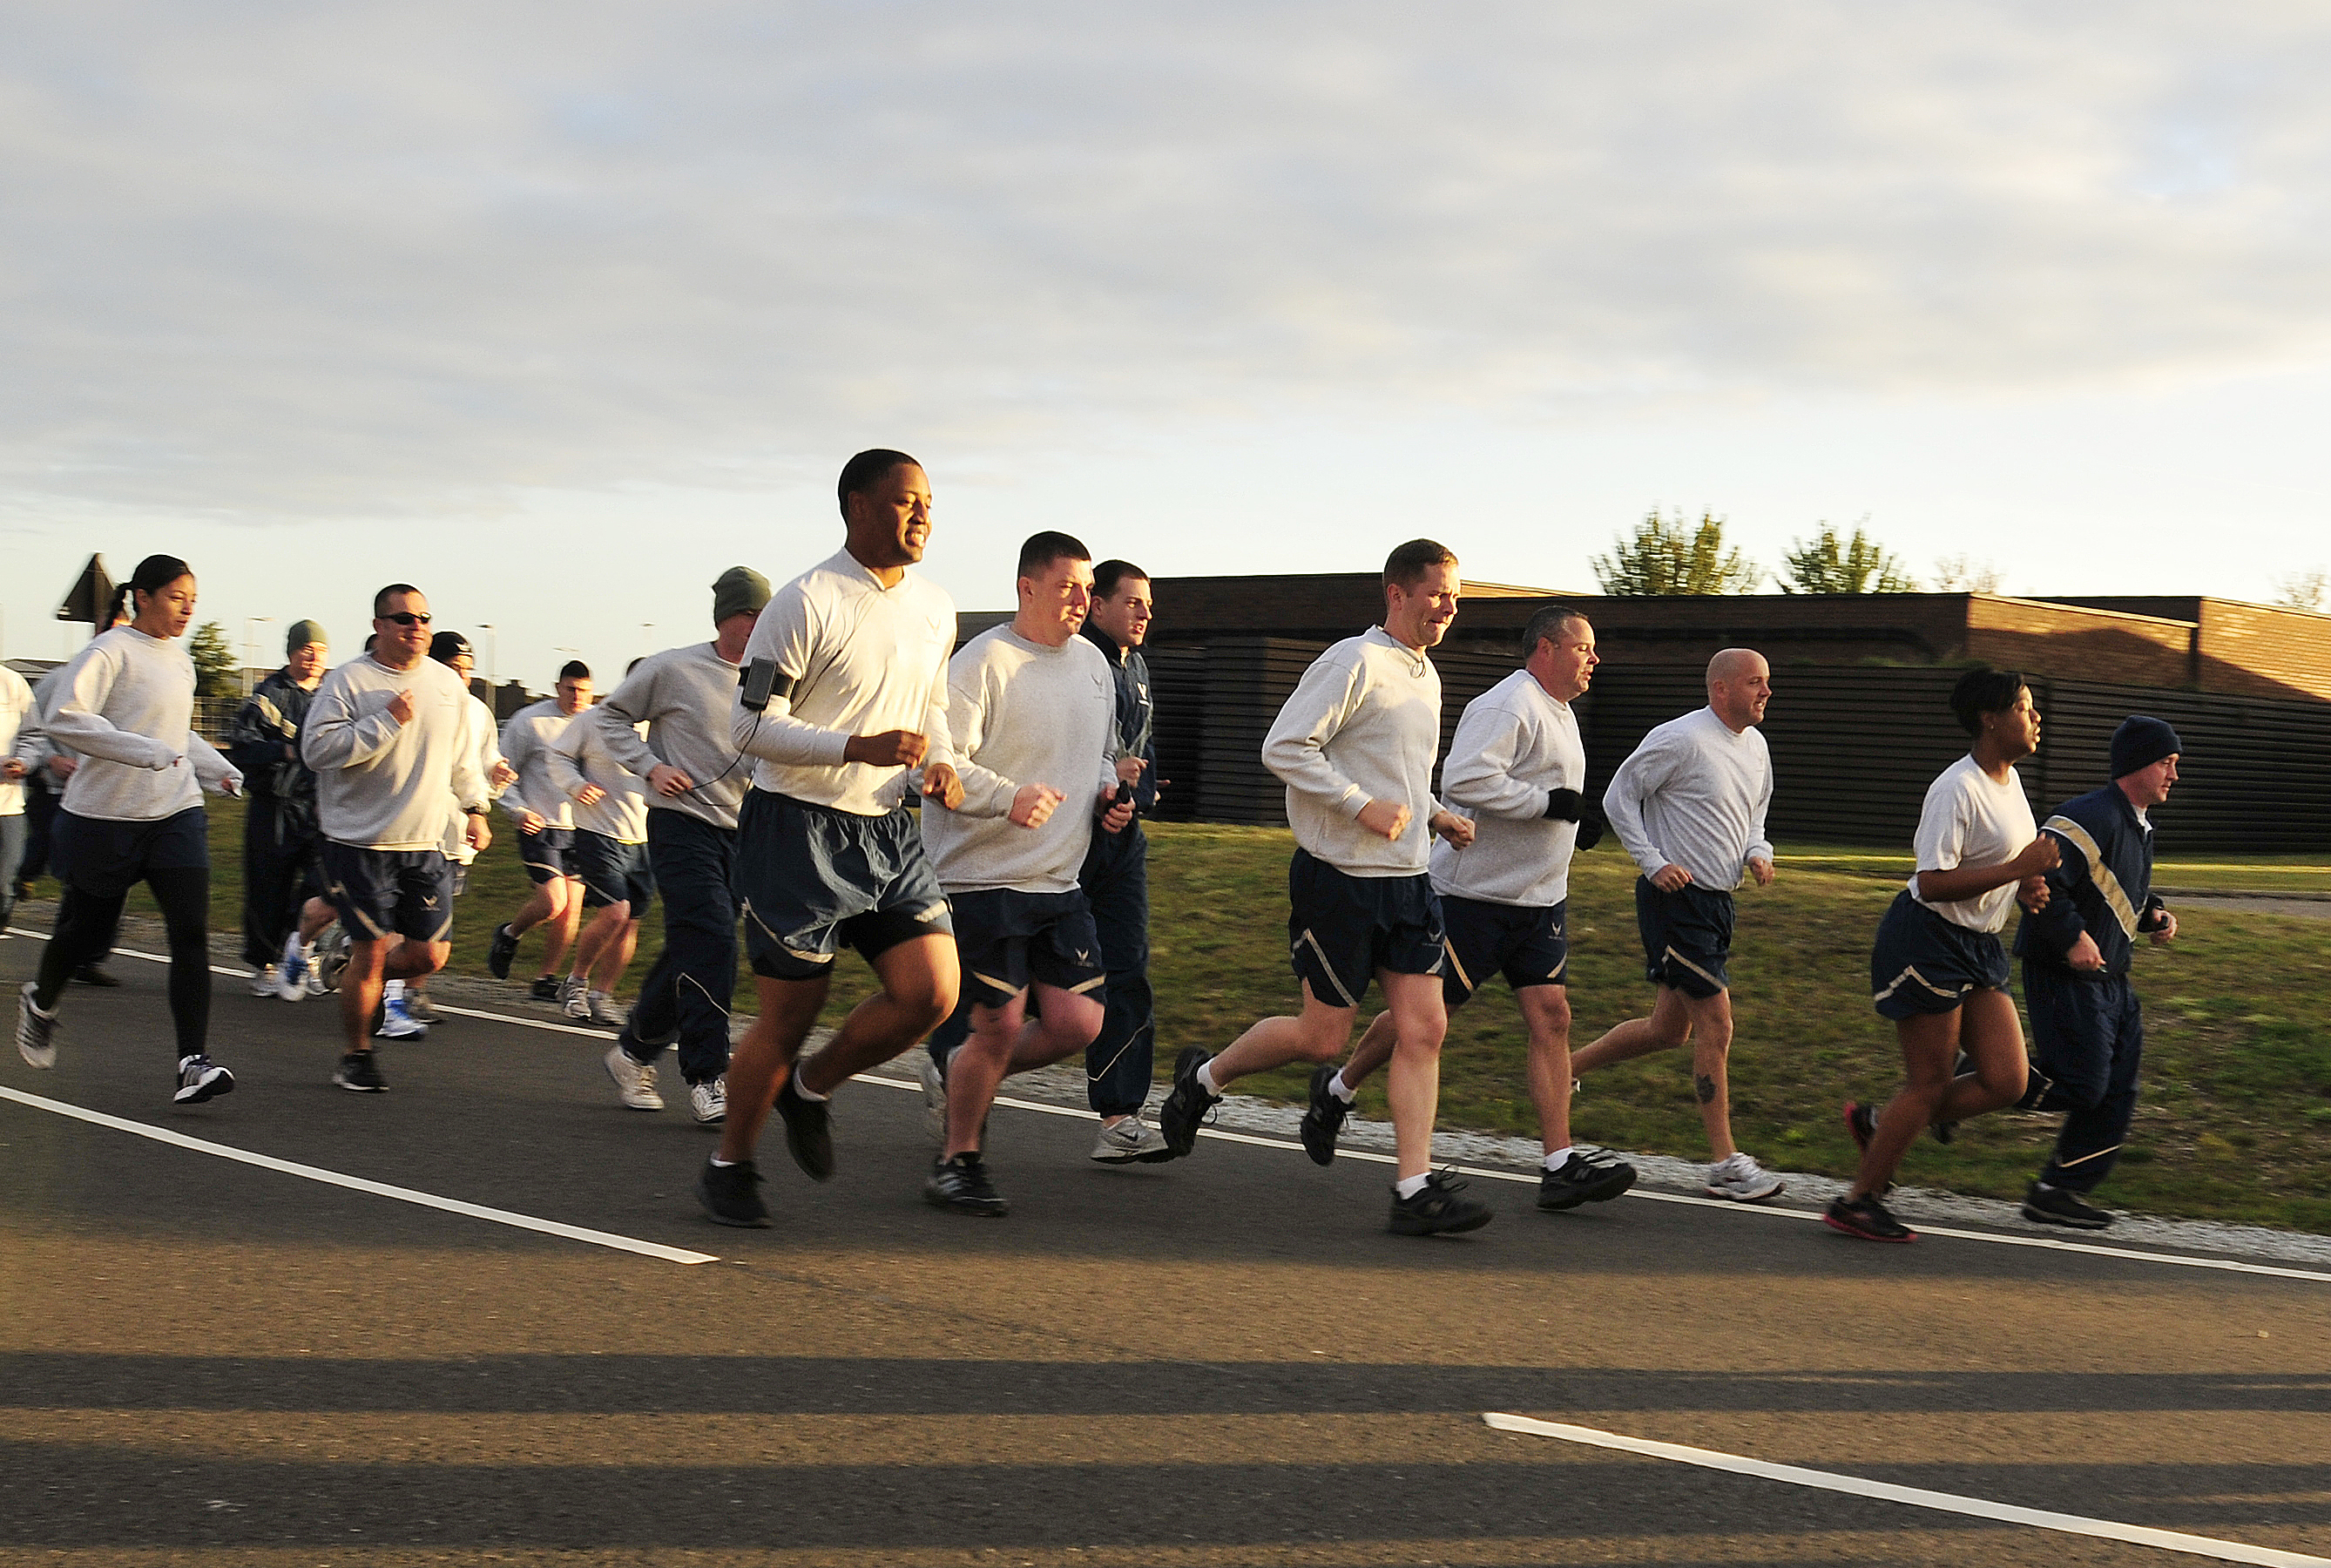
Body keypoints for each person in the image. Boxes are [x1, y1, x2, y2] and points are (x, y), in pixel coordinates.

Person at [1155, 540, 1487, 1237]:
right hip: (1339, 880)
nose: (1449, 607)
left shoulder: (1424, 675)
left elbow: (1398, 769)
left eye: (1455, 596)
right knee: (1320, 1037)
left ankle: (1414, 1188)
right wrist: (1358, 805)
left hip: (1408, 882)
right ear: (1397, 594)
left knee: (1425, 1027)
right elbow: (1284, 746)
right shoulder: (1352, 662)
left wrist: (1435, 813)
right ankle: (1204, 1079)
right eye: (1437, 594)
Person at [696, 449, 962, 1227]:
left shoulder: (935, 607)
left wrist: (938, 762)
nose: (923, 517)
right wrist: (856, 747)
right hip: (796, 833)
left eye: (930, 504)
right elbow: (749, 725)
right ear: (856, 506)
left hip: (885, 826)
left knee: (932, 993)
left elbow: (933, 705)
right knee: (787, 1018)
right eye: (907, 501)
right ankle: (729, 1165)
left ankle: (810, 1090)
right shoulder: (804, 602)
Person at [1306, 605, 1638, 1213]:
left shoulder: (1560, 710)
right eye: (1584, 647)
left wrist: (1572, 816)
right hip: (1473, 899)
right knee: (1425, 1022)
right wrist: (1551, 805)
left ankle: (1559, 1163)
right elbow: (1464, 781)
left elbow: (1547, 795)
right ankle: (1338, 1087)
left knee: (1553, 1018)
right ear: (1546, 648)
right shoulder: (1508, 704)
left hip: (1538, 901)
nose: (1594, 658)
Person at [917, 532, 1132, 1216]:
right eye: (1068, 586)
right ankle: (958, 1161)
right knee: (1001, 1026)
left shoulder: (1096, 666)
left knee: (1079, 1023)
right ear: (1027, 588)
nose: (1082, 599)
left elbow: (1096, 755)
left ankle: (959, 1076)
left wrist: (1106, 792)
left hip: (1059, 882)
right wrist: (1007, 797)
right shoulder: (980, 665)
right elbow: (939, 768)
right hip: (982, 878)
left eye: (1087, 587)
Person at [1827, 670, 2060, 1242]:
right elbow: (1931, 882)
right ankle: (1858, 1201)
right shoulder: (1956, 788)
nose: (2036, 719)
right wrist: (2015, 870)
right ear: (1990, 718)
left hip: (1977, 945)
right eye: (2025, 708)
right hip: (1927, 939)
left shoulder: (2008, 782)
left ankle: (1882, 1127)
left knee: (2009, 1079)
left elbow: (1998, 863)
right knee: (1928, 1081)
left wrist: (2022, 886)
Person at [13, 556, 244, 1104]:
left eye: (193, 599)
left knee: (190, 933)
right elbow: (66, 719)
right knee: (85, 936)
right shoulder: (107, 652)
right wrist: (143, 751)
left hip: (174, 814)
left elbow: (174, 735)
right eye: (175, 597)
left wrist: (217, 769)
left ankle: (193, 1062)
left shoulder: (181, 662)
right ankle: (42, 1001)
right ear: (141, 597)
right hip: (104, 819)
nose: (187, 608)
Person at [1571, 648, 1782, 1203]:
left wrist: (1757, 852)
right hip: (1677, 903)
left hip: (1718, 906)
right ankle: (1725, 1163)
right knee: (1718, 1025)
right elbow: (1621, 797)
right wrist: (1652, 860)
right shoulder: (1680, 738)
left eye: (1767, 683)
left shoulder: (1755, 746)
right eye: (1755, 683)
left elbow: (1754, 816)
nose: (1767, 693)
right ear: (1720, 690)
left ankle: (1563, 1070)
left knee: (1671, 1029)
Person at [596, 567, 770, 1122]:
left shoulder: (775, 677)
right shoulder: (673, 667)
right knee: (715, 942)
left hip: (744, 834)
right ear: (727, 619)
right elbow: (609, 716)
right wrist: (650, 767)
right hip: (681, 825)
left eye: (768, 616)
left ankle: (633, 1052)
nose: (761, 625)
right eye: (751, 616)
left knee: (693, 949)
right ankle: (707, 1075)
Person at [301, 584, 490, 1092]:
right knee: (374, 951)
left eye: (424, 618)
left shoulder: (447, 686)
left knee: (430, 956)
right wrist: (384, 722)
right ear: (379, 626)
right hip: (360, 843)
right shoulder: (348, 681)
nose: (417, 627)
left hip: (426, 842)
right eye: (405, 619)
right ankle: (356, 1055)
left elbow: (462, 760)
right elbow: (317, 752)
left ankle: (347, 971)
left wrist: (475, 808)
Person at [2009, 716, 2183, 1231]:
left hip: (2113, 979)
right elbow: (2037, 880)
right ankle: (1974, 1081)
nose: (2174, 775)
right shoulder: (2089, 815)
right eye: (2166, 763)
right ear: (2136, 765)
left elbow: (2111, 890)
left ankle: (2058, 1191)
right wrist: (2071, 937)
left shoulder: (2135, 823)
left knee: (2117, 1090)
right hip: (2065, 972)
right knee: (2084, 1083)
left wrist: (2151, 913)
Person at [1076, 559, 1171, 1163]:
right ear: (1096, 605)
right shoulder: (1076, 662)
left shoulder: (1135, 666)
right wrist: (1105, 789)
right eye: (1132, 602)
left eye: (1148, 605)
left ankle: (1119, 1117)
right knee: (1043, 980)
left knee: (1128, 967)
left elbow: (1142, 748)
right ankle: (953, 1058)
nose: (1143, 613)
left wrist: (1137, 795)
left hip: (1120, 842)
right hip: (1064, 839)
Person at [394, 630, 517, 1028]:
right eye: (453, 667)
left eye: (467, 669)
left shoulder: (479, 713)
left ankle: (411, 989)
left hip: (459, 832)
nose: (461, 677)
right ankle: (384, 988)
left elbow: (481, 765)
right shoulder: (420, 701)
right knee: (411, 923)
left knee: (436, 928)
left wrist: (497, 774)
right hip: (418, 830)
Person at [226, 619, 329, 999]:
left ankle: (304, 953)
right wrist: (285, 751)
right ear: (291, 653)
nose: (314, 657)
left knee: (321, 886)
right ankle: (266, 963)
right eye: (307, 650)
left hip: (318, 807)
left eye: (321, 651)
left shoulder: (332, 695)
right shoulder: (268, 695)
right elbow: (242, 746)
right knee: (268, 885)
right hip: (275, 806)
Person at [546, 661, 651, 1027]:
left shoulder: (665, 727)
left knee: (630, 922)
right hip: (598, 832)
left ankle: (602, 994)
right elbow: (557, 756)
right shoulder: (595, 720)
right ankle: (575, 982)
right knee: (614, 912)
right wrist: (577, 786)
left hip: (646, 837)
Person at [487, 661, 593, 1001]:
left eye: (583, 690)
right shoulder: (529, 722)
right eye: (570, 689)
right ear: (557, 687)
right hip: (540, 824)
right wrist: (518, 811)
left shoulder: (594, 723)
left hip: (580, 827)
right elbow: (502, 772)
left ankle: (545, 978)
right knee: (552, 902)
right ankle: (509, 934)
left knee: (571, 912)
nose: (577, 696)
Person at [1, 661, 31, 936]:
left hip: (8, 803)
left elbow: (35, 734)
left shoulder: (11, 683)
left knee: (5, 880)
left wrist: (24, 761)